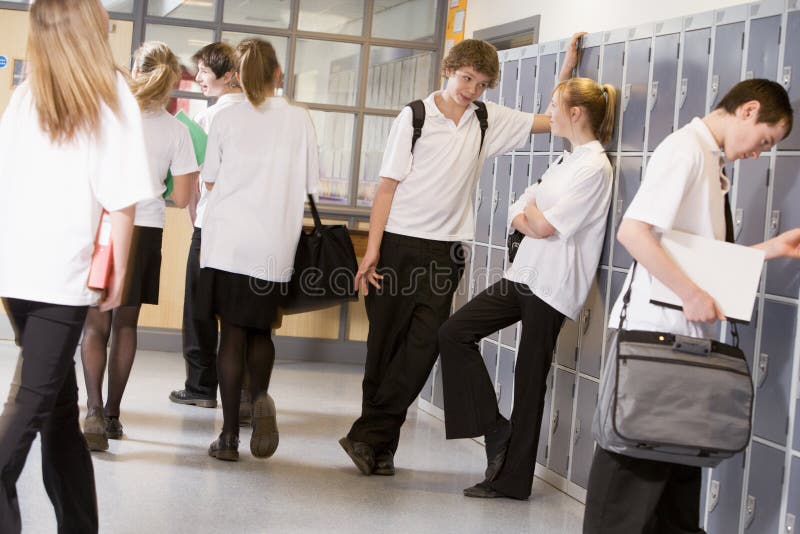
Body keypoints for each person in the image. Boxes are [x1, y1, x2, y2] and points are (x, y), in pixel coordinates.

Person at [338, 34, 584, 476]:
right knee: (384, 351)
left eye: (482, 83)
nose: (471, 90)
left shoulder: (486, 120)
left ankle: (367, 436)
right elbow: (387, 186)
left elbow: (552, 119)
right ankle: (380, 449)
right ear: (448, 69)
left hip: (445, 252)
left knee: (424, 348)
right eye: (466, 78)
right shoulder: (414, 116)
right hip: (397, 246)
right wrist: (371, 251)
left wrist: (566, 68)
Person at [583, 79, 798, 533]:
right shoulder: (685, 151)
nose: (758, 154)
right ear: (748, 110)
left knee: (676, 477)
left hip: (682, 342)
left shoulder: (710, 162)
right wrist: (691, 294)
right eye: (764, 141)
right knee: (632, 475)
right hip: (654, 335)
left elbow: (701, 260)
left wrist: (771, 249)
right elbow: (633, 233)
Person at [0, 0, 159, 531]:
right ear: (87, 28)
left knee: (57, 416)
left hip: (20, 276)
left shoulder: (26, 97)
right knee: (23, 426)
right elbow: (121, 200)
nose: (109, 22)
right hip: (58, 281)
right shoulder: (110, 95)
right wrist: (114, 274)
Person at [438, 76, 616, 500]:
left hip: (553, 286)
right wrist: (528, 214)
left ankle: (512, 481)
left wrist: (531, 215)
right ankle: (496, 429)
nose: (548, 114)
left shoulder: (594, 168)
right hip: (525, 274)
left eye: (554, 106)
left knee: (528, 379)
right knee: (454, 332)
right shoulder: (564, 162)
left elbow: (542, 223)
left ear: (575, 113)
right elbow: (522, 207)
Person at [196, 38, 319, 461]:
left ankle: (228, 437)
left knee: (229, 336)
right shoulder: (300, 119)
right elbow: (312, 183)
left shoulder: (224, 118)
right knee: (260, 332)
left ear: (237, 73)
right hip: (273, 243)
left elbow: (209, 180)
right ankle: (261, 395)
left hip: (227, 241)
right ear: (277, 74)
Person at [81, 41, 198, 451]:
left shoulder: (107, 116)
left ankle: (92, 412)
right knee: (126, 326)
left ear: (136, 68)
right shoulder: (177, 130)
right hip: (147, 229)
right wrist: (158, 181)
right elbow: (183, 198)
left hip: (107, 227)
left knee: (96, 325)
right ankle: (113, 416)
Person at [169, 42, 246, 411]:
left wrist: (194, 217)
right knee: (239, 311)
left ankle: (200, 387)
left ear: (229, 74)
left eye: (204, 70)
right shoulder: (258, 115)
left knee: (199, 310)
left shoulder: (207, 119)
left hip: (211, 227)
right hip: (249, 229)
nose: (198, 77)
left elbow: (199, 181)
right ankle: (242, 391)